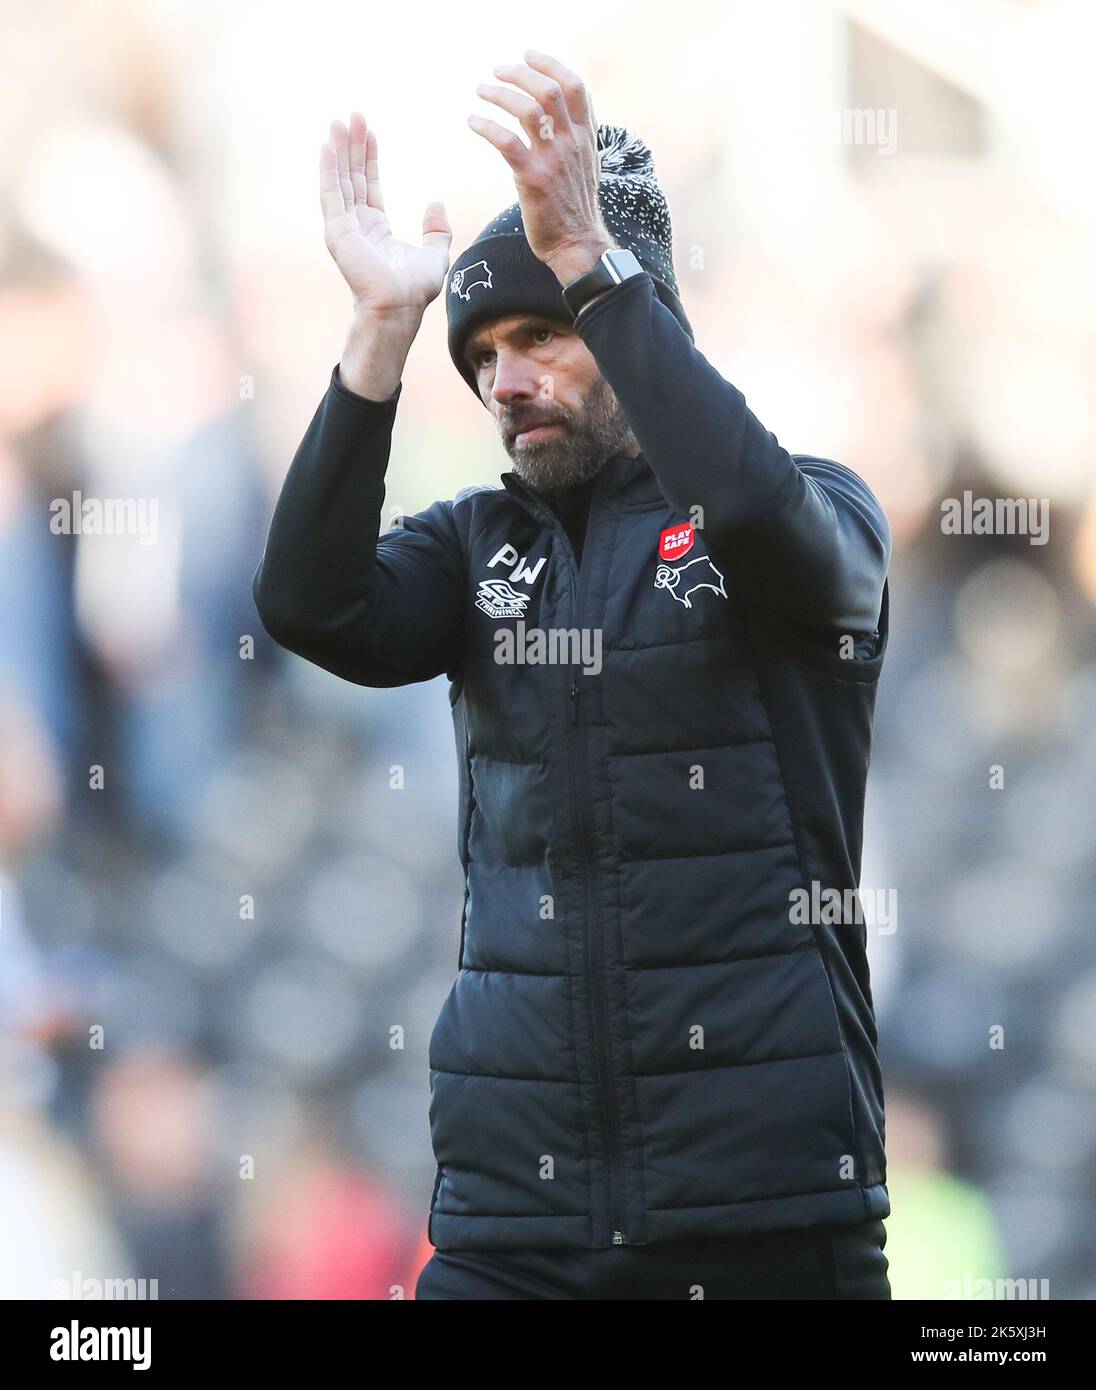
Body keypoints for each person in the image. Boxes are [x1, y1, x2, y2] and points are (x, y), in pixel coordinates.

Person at [252, 50, 893, 1300]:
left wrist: (596, 267)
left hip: (761, 1208)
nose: (506, 379)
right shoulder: (473, 545)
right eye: (483, 352)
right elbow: (309, 605)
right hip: (515, 1221)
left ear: (627, 315)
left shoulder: (815, 508)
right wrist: (382, 330)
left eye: (540, 332)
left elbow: (765, 528)